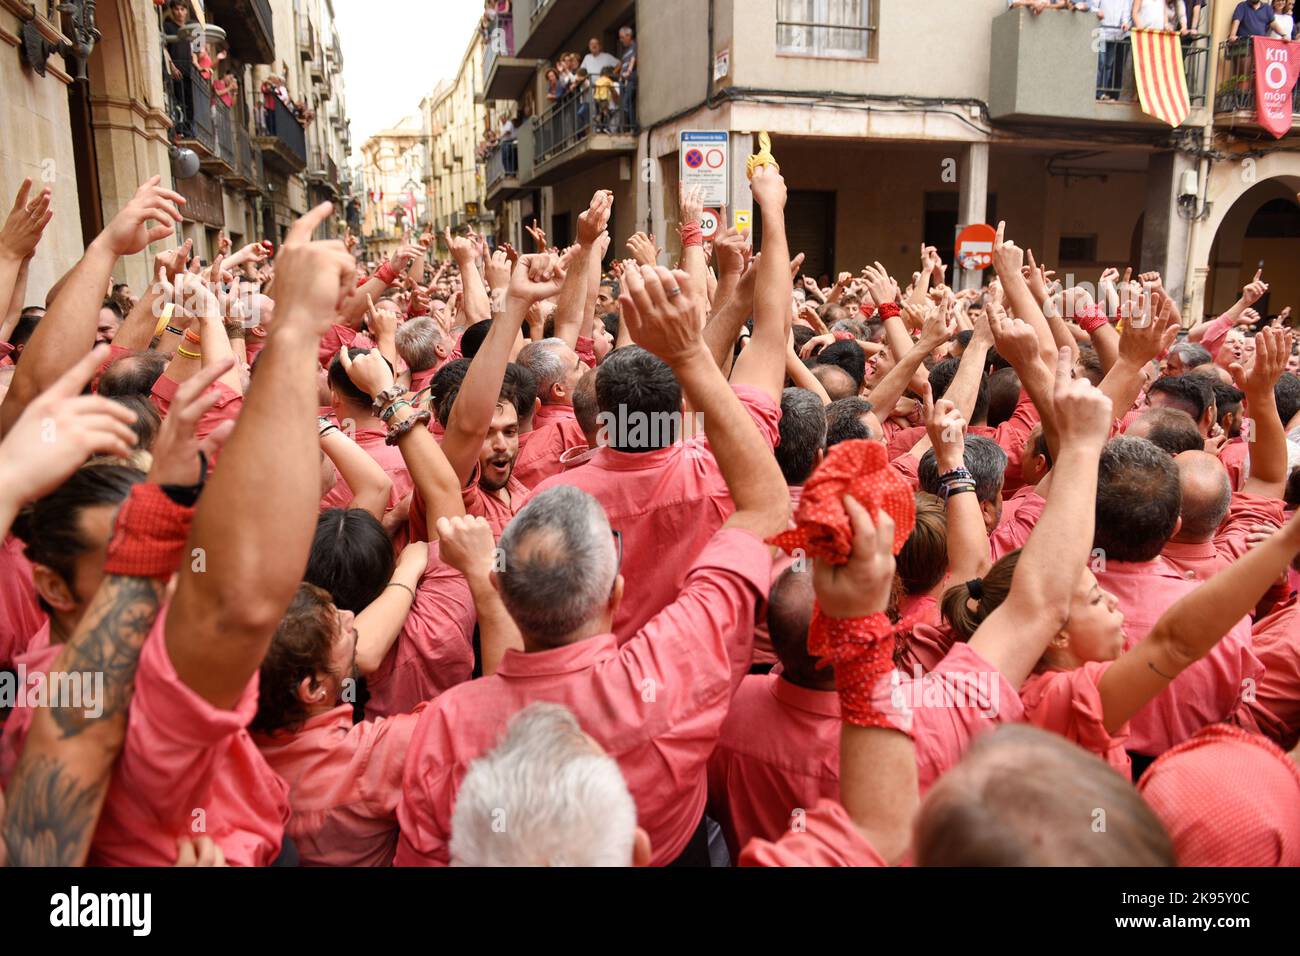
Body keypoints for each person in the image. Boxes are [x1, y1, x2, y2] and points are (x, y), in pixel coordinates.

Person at [618, 26, 637, 128]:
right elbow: (623, 64)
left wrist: (629, 71)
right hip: (624, 80)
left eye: (622, 37)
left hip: (630, 79)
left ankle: (633, 126)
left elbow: (633, 59)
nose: (621, 40)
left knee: (626, 103)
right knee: (626, 105)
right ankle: (630, 127)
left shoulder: (634, 46)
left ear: (629, 35)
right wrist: (621, 75)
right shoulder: (625, 52)